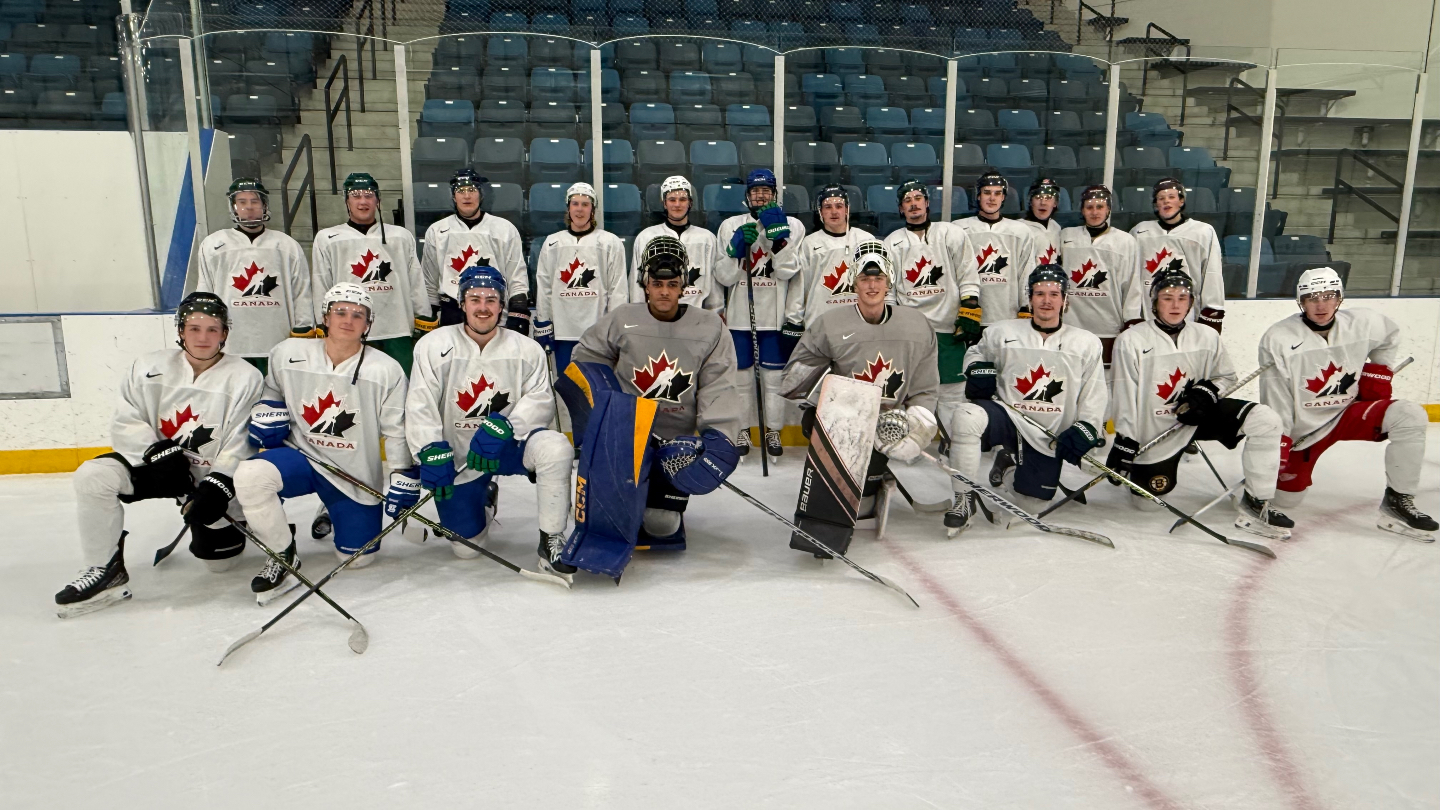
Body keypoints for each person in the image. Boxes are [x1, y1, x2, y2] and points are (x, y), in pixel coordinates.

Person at [54, 293, 264, 617]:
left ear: (224, 333)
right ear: (180, 331)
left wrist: (219, 484)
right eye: (194, 328)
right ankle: (104, 569)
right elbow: (126, 418)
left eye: (212, 329)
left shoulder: (245, 376)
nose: (203, 337)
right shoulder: (148, 366)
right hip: (156, 467)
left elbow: (242, 438)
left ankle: (227, 521)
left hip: (207, 478)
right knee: (93, 477)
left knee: (221, 564)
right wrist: (156, 451)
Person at [564, 234, 744, 565]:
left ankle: (655, 497)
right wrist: (609, 414)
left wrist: (719, 437)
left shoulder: (710, 327)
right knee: (610, 519)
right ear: (645, 284)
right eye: (657, 284)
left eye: (672, 284)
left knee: (661, 525)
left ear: (684, 286)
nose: (664, 292)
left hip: (675, 444)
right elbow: (586, 360)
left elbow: (719, 385)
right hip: (626, 437)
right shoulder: (622, 318)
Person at [232, 283, 410, 601]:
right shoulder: (287, 354)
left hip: (353, 474)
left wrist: (400, 474)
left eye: (358, 314)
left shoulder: (386, 370)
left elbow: (396, 430)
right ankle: (283, 555)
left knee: (358, 559)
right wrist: (266, 410)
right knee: (251, 476)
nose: (348, 320)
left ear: (368, 324)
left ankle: (331, 504)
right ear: (326, 317)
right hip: (301, 458)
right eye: (340, 312)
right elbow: (271, 392)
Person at [406, 265, 575, 566]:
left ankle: (551, 540)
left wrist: (509, 426)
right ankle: (485, 499)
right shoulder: (433, 345)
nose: (483, 307)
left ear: (501, 305)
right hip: (460, 456)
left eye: (491, 299)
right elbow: (421, 403)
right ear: (462, 304)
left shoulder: (527, 349)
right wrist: (429, 449)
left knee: (555, 447)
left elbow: (541, 400)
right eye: (475, 299)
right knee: (466, 549)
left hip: (508, 446)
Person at [1109, 268, 1292, 538]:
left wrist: (1207, 391)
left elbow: (1226, 377)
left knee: (1266, 421)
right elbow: (1124, 395)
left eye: (1182, 298)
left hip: (1200, 416)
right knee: (1146, 504)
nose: (1175, 305)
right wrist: (1125, 439)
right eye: (1167, 297)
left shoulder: (1207, 336)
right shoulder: (1131, 340)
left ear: (1191, 302)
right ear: (1154, 302)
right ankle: (1143, 471)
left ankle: (1257, 501)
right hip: (1156, 431)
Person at [1258, 267, 1435, 539]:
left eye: (1328, 296)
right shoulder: (1278, 337)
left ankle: (1398, 500)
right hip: (1306, 432)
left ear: (1339, 298)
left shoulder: (1364, 323)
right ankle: (1255, 483)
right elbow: (1275, 394)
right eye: (1312, 298)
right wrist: (1278, 442)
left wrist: (1378, 372)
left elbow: (1390, 336)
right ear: (1301, 301)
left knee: (1410, 414)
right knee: (1286, 501)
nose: (1321, 305)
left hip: (1350, 412)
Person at [782, 240, 939, 538]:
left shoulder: (917, 325)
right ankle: (850, 487)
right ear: (853, 282)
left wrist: (916, 425)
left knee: (863, 500)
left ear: (889, 281)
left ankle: (874, 476)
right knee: (815, 428)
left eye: (878, 278)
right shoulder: (829, 324)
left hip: (892, 423)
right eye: (865, 278)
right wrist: (849, 407)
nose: (872, 285)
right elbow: (794, 378)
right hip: (843, 418)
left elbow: (925, 388)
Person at [944, 265, 1107, 534]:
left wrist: (1087, 426)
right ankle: (963, 499)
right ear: (1029, 298)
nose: (1046, 300)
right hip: (1007, 416)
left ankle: (1007, 466)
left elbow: (1095, 391)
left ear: (1065, 299)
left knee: (1032, 503)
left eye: (1054, 294)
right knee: (966, 416)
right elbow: (975, 353)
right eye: (1039, 293)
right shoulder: (1002, 332)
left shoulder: (1085, 343)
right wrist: (977, 369)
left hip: (1047, 432)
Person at [714, 168, 806, 458]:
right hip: (739, 317)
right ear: (747, 196)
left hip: (775, 319)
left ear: (775, 194)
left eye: (766, 191)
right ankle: (743, 429)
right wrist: (735, 251)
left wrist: (778, 241)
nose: (761, 196)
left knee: (773, 380)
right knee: (741, 378)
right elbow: (724, 277)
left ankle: (773, 431)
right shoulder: (730, 225)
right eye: (755, 191)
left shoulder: (793, 225)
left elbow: (789, 272)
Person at [884, 179, 978, 436]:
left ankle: (955, 444)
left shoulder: (951, 234)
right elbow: (888, 289)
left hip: (948, 327)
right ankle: (912, 444)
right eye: (907, 200)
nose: (913, 204)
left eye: (918, 198)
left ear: (927, 203)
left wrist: (970, 308)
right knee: (913, 392)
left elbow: (967, 272)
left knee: (952, 393)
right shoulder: (892, 242)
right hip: (912, 331)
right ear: (901, 208)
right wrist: (891, 322)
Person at [194, 178, 314, 375]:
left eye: (254, 201)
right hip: (231, 344)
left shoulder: (286, 245)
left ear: (264, 205)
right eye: (242, 202)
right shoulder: (213, 244)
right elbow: (205, 290)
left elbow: (301, 292)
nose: (249, 207)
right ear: (233, 206)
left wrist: (303, 329)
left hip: (278, 342)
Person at [311, 173, 428, 373]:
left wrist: (423, 315)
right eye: (356, 196)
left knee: (402, 382)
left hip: (397, 328)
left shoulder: (401, 236)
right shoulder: (328, 238)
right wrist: (322, 322)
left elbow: (415, 279)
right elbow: (321, 282)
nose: (363, 201)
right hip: (349, 328)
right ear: (347, 201)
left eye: (368, 195)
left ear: (378, 200)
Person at [532, 181, 629, 374]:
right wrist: (544, 321)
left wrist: (614, 327)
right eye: (575, 203)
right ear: (568, 208)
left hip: (597, 333)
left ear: (593, 209)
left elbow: (617, 289)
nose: (579, 209)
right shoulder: (553, 243)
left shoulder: (610, 242)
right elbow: (545, 286)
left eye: (585, 204)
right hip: (562, 332)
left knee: (598, 384)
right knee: (566, 384)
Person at [419, 168, 530, 335]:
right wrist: (430, 314)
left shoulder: (504, 228)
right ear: (453, 197)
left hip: (493, 310)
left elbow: (516, 274)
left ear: (481, 195)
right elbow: (430, 279)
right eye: (460, 191)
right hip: (452, 313)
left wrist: (519, 309)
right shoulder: (437, 231)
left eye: (472, 190)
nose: (466, 196)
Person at [1059, 185, 1144, 364]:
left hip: (1108, 325)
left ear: (1108, 210)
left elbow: (1132, 284)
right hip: (1071, 324)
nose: (1095, 212)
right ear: (1082, 210)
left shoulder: (1125, 241)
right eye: (1089, 207)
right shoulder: (1066, 236)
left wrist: (1131, 319)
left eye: (1100, 207)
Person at [1131, 178, 1225, 332]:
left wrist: (1212, 311)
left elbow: (1212, 272)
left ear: (1181, 201)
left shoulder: (1202, 232)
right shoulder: (1140, 232)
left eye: (1171, 197)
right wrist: (1132, 314)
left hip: (1189, 314)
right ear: (1156, 204)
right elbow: (1130, 275)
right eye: (1161, 198)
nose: (1166, 201)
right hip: (1147, 315)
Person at [955, 169, 1039, 324]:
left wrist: (1026, 306)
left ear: (1003, 197)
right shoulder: (959, 229)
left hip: (1007, 316)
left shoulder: (1020, 232)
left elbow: (1026, 272)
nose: (992, 198)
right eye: (987, 192)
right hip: (969, 316)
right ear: (978, 196)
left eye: (997, 193)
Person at [630, 175, 724, 311]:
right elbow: (637, 283)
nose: (677, 204)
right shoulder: (646, 237)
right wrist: (638, 313)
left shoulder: (706, 238)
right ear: (664, 203)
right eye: (672, 200)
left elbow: (714, 287)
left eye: (683, 199)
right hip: (657, 315)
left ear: (690, 203)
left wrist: (716, 312)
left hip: (696, 316)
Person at [1022, 176, 1063, 268]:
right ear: (1030, 202)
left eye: (1048, 198)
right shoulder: (1020, 228)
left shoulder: (1056, 227)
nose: (1043, 203)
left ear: (1055, 203)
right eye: (1038, 197)